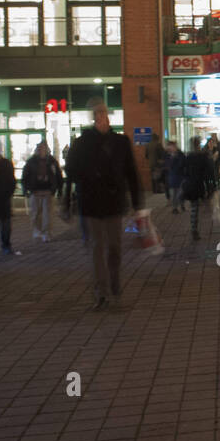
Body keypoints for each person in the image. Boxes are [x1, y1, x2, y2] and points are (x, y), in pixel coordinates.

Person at [65, 98, 142, 311]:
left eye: (103, 113)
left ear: (108, 116)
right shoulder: (81, 143)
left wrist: (137, 202)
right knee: (96, 248)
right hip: (90, 204)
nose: (100, 117)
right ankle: (101, 292)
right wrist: (72, 195)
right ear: (92, 117)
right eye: (97, 114)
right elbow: (71, 172)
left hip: (114, 203)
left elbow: (131, 172)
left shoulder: (120, 142)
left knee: (114, 247)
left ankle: (114, 282)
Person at [22, 140, 63, 242]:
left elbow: (58, 175)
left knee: (47, 214)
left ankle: (46, 233)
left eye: (43, 148)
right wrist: (25, 189)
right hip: (35, 190)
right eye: (40, 149)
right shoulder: (31, 162)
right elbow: (25, 176)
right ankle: (38, 231)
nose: (41, 151)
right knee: (36, 214)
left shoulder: (52, 161)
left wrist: (59, 189)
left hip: (48, 190)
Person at [183, 136, 211, 240]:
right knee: (195, 208)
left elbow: (184, 172)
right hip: (198, 185)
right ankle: (194, 229)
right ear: (199, 144)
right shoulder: (202, 157)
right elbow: (207, 173)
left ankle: (194, 228)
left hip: (190, 185)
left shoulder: (188, 157)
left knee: (194, 207)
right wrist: (208, 188)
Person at [164, 140, 186, 214]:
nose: (172, 148)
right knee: (174, 193)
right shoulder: (167, 155)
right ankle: (175, 208)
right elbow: (168, 165)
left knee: (181, 192)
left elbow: (182, 164)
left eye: (173, 146)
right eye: (170, 147)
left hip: (180, 176)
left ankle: (182, 204)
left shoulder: (180, 154)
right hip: (172, 176)